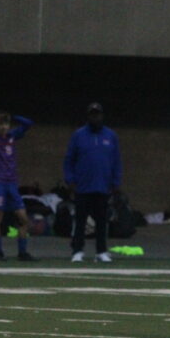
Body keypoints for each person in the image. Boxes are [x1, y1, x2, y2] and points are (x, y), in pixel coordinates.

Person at [63, 102, 122, 263]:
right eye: (92, 114)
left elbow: (116, 161)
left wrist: (116, 182)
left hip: (103, 187)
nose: (95, 117)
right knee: (80, 221)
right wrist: (70, 180)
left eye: (97, 114)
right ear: (88, 116)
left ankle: (101, 251)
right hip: (83, 186)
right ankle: (77, 251)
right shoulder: (78, 135)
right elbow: (69, 159)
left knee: (102, 222)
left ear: (102, 115)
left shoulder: (110, 136)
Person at [0, 110, 35, 261]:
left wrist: (15, 115)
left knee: (23, 219)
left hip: (12, 183)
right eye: (1, 124)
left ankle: (22, 252)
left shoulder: (12, 136)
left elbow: (29, 123)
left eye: (6, 124)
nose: (4, 127)